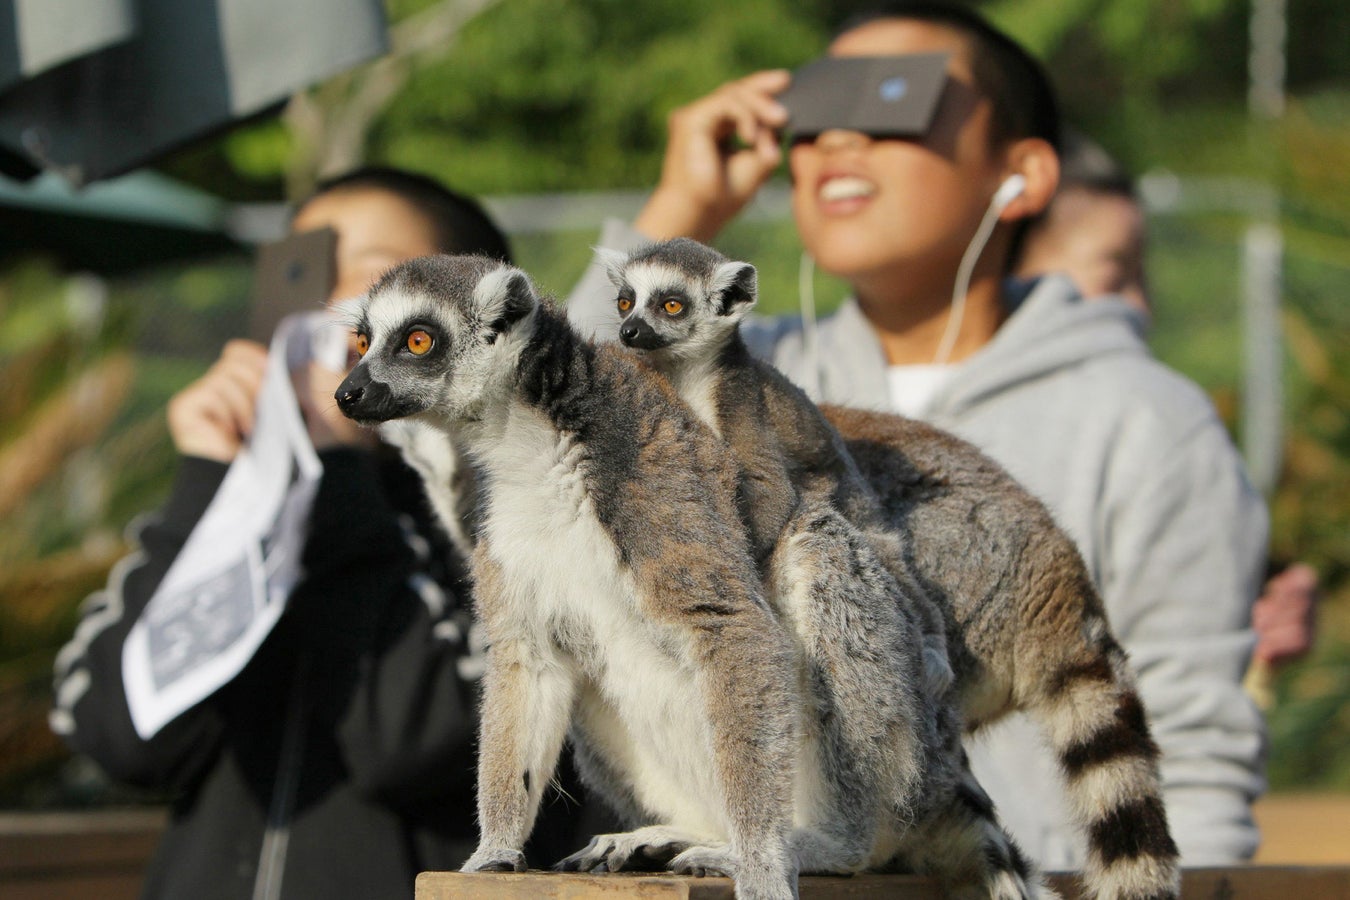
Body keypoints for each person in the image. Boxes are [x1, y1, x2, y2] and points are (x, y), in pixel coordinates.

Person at [567, 1, 1269, 870]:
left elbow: (1188, 746)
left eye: (896, 102)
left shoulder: (1139, 418)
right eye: (816, 114)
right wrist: (682, 213)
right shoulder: (742, 367)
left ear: (1024, 173)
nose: (839, 142)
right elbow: (555, 431)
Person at [50, 167, 606, 899]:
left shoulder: (540, 524)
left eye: (374, 282)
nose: (328, 314)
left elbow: (409, 736)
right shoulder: (233, 504)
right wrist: (208, 490)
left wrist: (343, 474)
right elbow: (122, 739)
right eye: (302, 272)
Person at [1013, 134, 1319, 689]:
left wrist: (1263, 600)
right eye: (1112, 275)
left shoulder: (1156, 422)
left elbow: (1193, 642)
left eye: (1141, 275)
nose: (1140, 305)